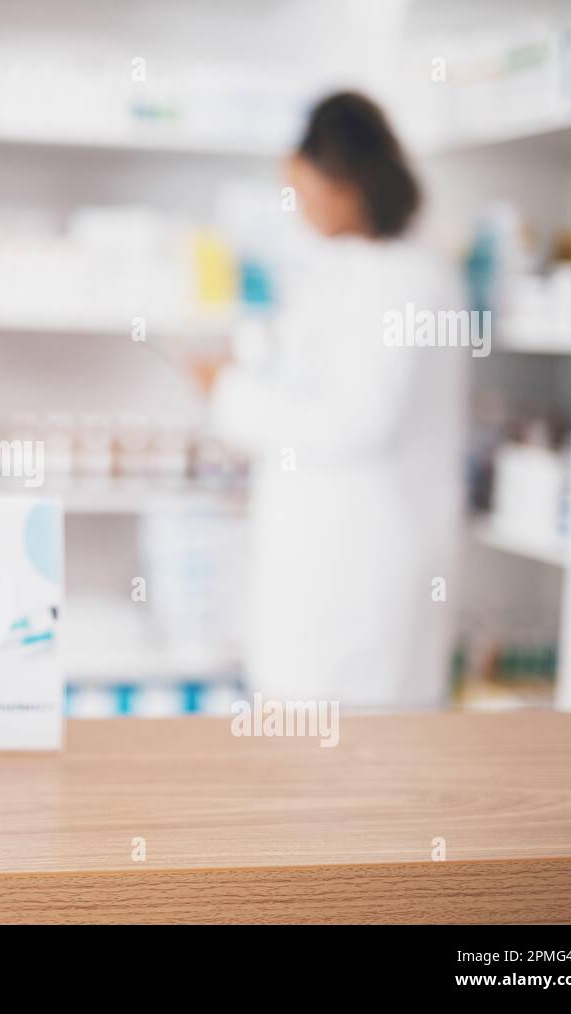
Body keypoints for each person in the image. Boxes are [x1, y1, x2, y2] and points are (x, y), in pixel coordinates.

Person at [205, 91, 464, 710]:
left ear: (347, 182)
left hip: (360, 576)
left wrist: (228, 390)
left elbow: (355, 421)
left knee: (353, 775)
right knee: (304, 766)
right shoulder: (351, 270)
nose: (297, 207)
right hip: (320, 569)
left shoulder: (403, 280)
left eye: (302, 188)